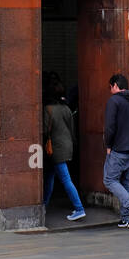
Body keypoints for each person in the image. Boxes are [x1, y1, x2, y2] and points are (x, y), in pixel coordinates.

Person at [103, 73, 129, 228]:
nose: (110, 91)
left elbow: (109, 127)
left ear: (115, 85)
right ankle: (126, 218)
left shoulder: (114, 101)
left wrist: (108, 145)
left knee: (109, 179)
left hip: (120, 148)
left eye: (110, 87)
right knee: (126, 180)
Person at [42, 85, 85, 222]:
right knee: (50, 176)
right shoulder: (66, 109)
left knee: (65, 179)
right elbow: (72, 129)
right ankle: (44, 205)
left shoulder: (47, 110)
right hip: (67, 145)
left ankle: (79, 209)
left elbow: (45, 130)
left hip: (56, 148)